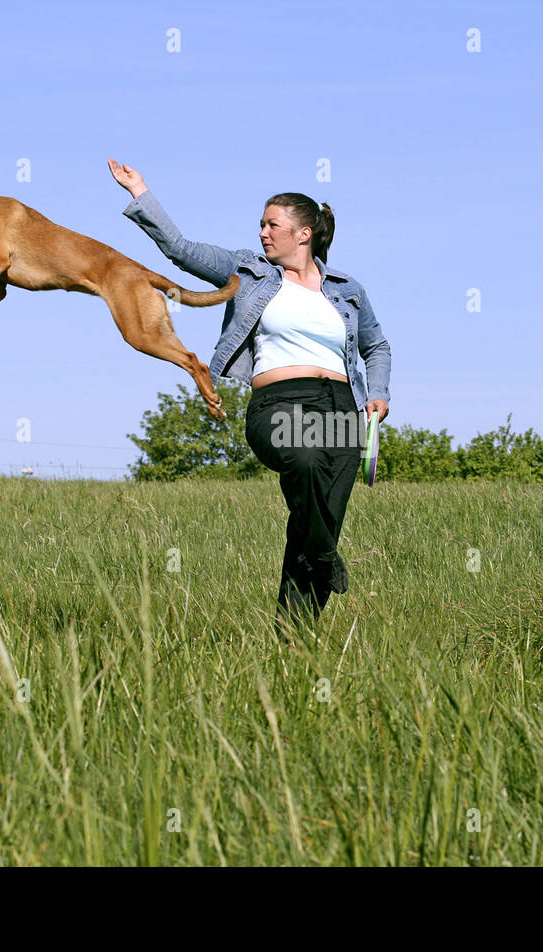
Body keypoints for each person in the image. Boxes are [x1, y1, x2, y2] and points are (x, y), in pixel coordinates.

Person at [108, 158, 391, 635]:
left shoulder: (348, 289)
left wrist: (378, 394)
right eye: (261, 224)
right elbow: (181, 250)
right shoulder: (248, 270)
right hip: (280, 400)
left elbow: (376, 345)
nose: (262, 232)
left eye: (272, 224)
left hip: (343, 408)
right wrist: (140, 192)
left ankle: (293, 636)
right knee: (301, 464)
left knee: (318, 516)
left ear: (303, 234)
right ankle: (325, 555)